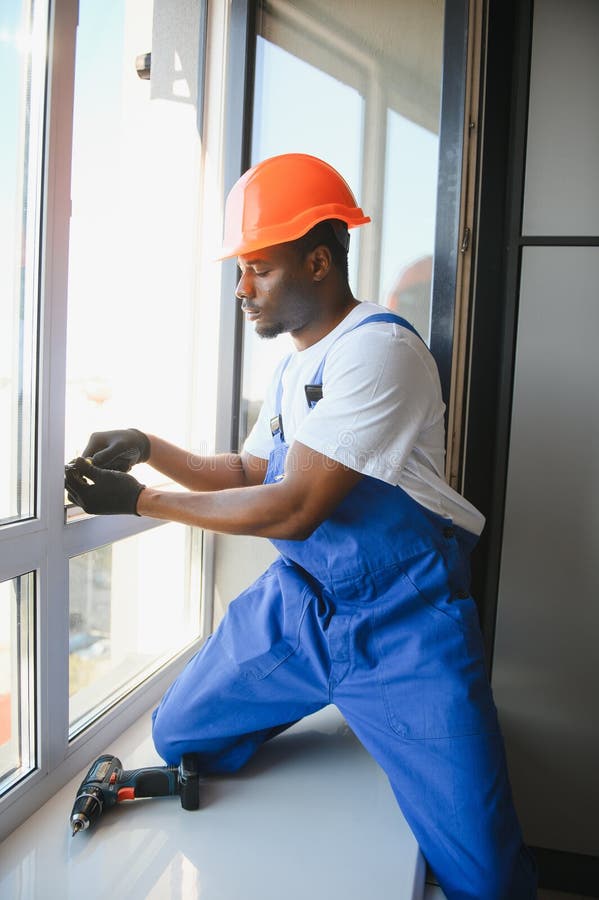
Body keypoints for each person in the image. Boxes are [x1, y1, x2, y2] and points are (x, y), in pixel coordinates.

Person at [65, 153, 537, 899]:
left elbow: (292, 506)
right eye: (239, 269)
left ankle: (377, 717)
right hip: (298, 608)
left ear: (317, 262)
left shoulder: (378, 351)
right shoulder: (293, 367)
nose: (241, 289)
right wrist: (152, 448)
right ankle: (318, 700)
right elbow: (253, 474)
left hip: (402, 628)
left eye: (258, 269)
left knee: (482, 869)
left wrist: (142, 502)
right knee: (180, 735)